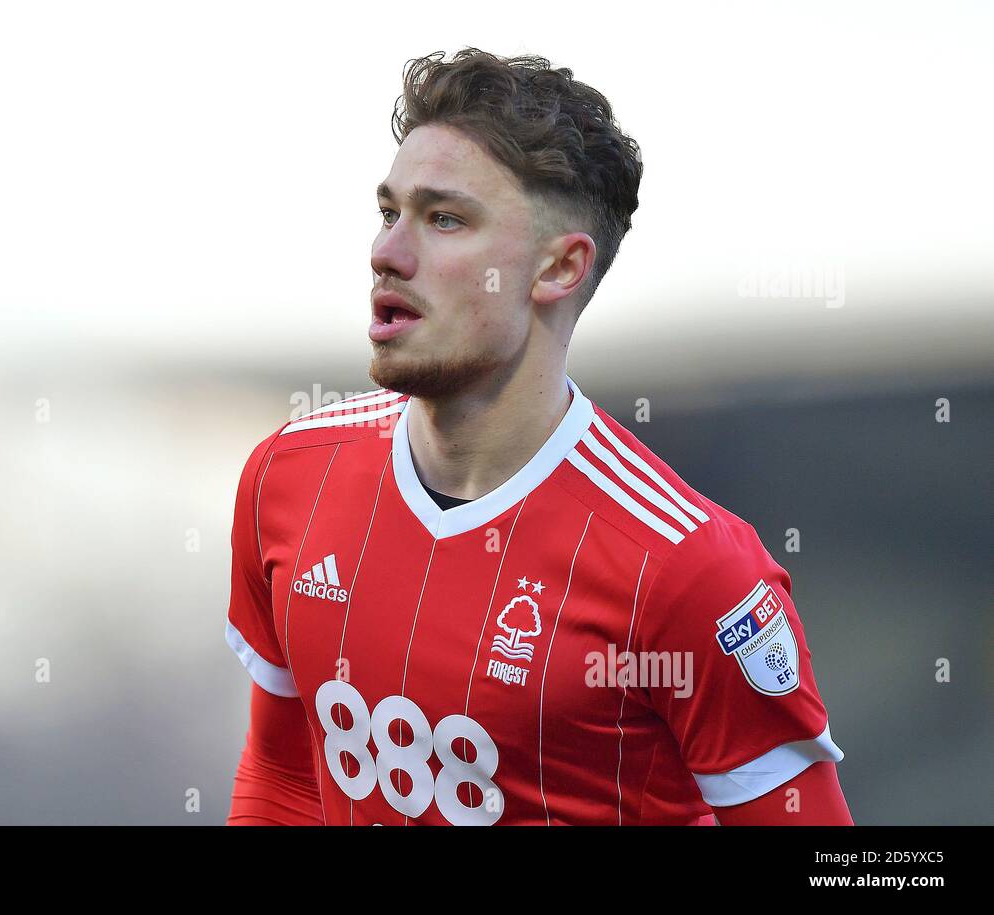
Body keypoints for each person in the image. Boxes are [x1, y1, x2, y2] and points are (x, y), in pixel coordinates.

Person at [224, 48, 852, 825]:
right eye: (390, 212)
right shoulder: (288, 478)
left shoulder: (689, 570)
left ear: (558, 269)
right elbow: (285, 777)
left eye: (444, 218)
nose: (386, 252)